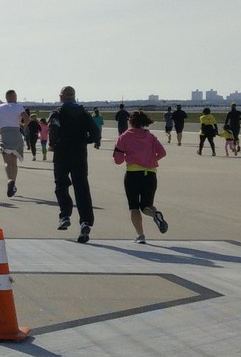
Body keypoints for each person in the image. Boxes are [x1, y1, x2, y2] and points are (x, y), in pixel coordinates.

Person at [49, 85, 98, 242]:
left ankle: (65, 215)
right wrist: (87, 140)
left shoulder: (57, 113)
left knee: (61, 184)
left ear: (61, 97)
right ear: (74, 96)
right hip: (79, 154)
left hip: (62, 153)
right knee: (81, 187)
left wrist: (53, 143)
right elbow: (96, 132)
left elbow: (54, 130)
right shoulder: (84, 113)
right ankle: (85, 221)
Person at [111, 110, 169, 243]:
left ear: (130, 122)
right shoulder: (151, 136)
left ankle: (141, 235)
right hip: (150, 174)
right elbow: (162, 152)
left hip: (133, 174)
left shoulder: (124, 137)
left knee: (134, 207)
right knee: (146, 206)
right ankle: (155, 214)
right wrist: (151, 160)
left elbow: (118, 160)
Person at [0, 90, 27, 197]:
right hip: (16, 133)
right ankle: (13, 183)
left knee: (7, 162)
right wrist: (23, 125)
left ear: (6, 98)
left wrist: (0, 124)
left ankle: (9, 180)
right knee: (14, 162)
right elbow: (27, 118)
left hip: (5, 134)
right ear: (15, 97)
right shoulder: (18, 107)